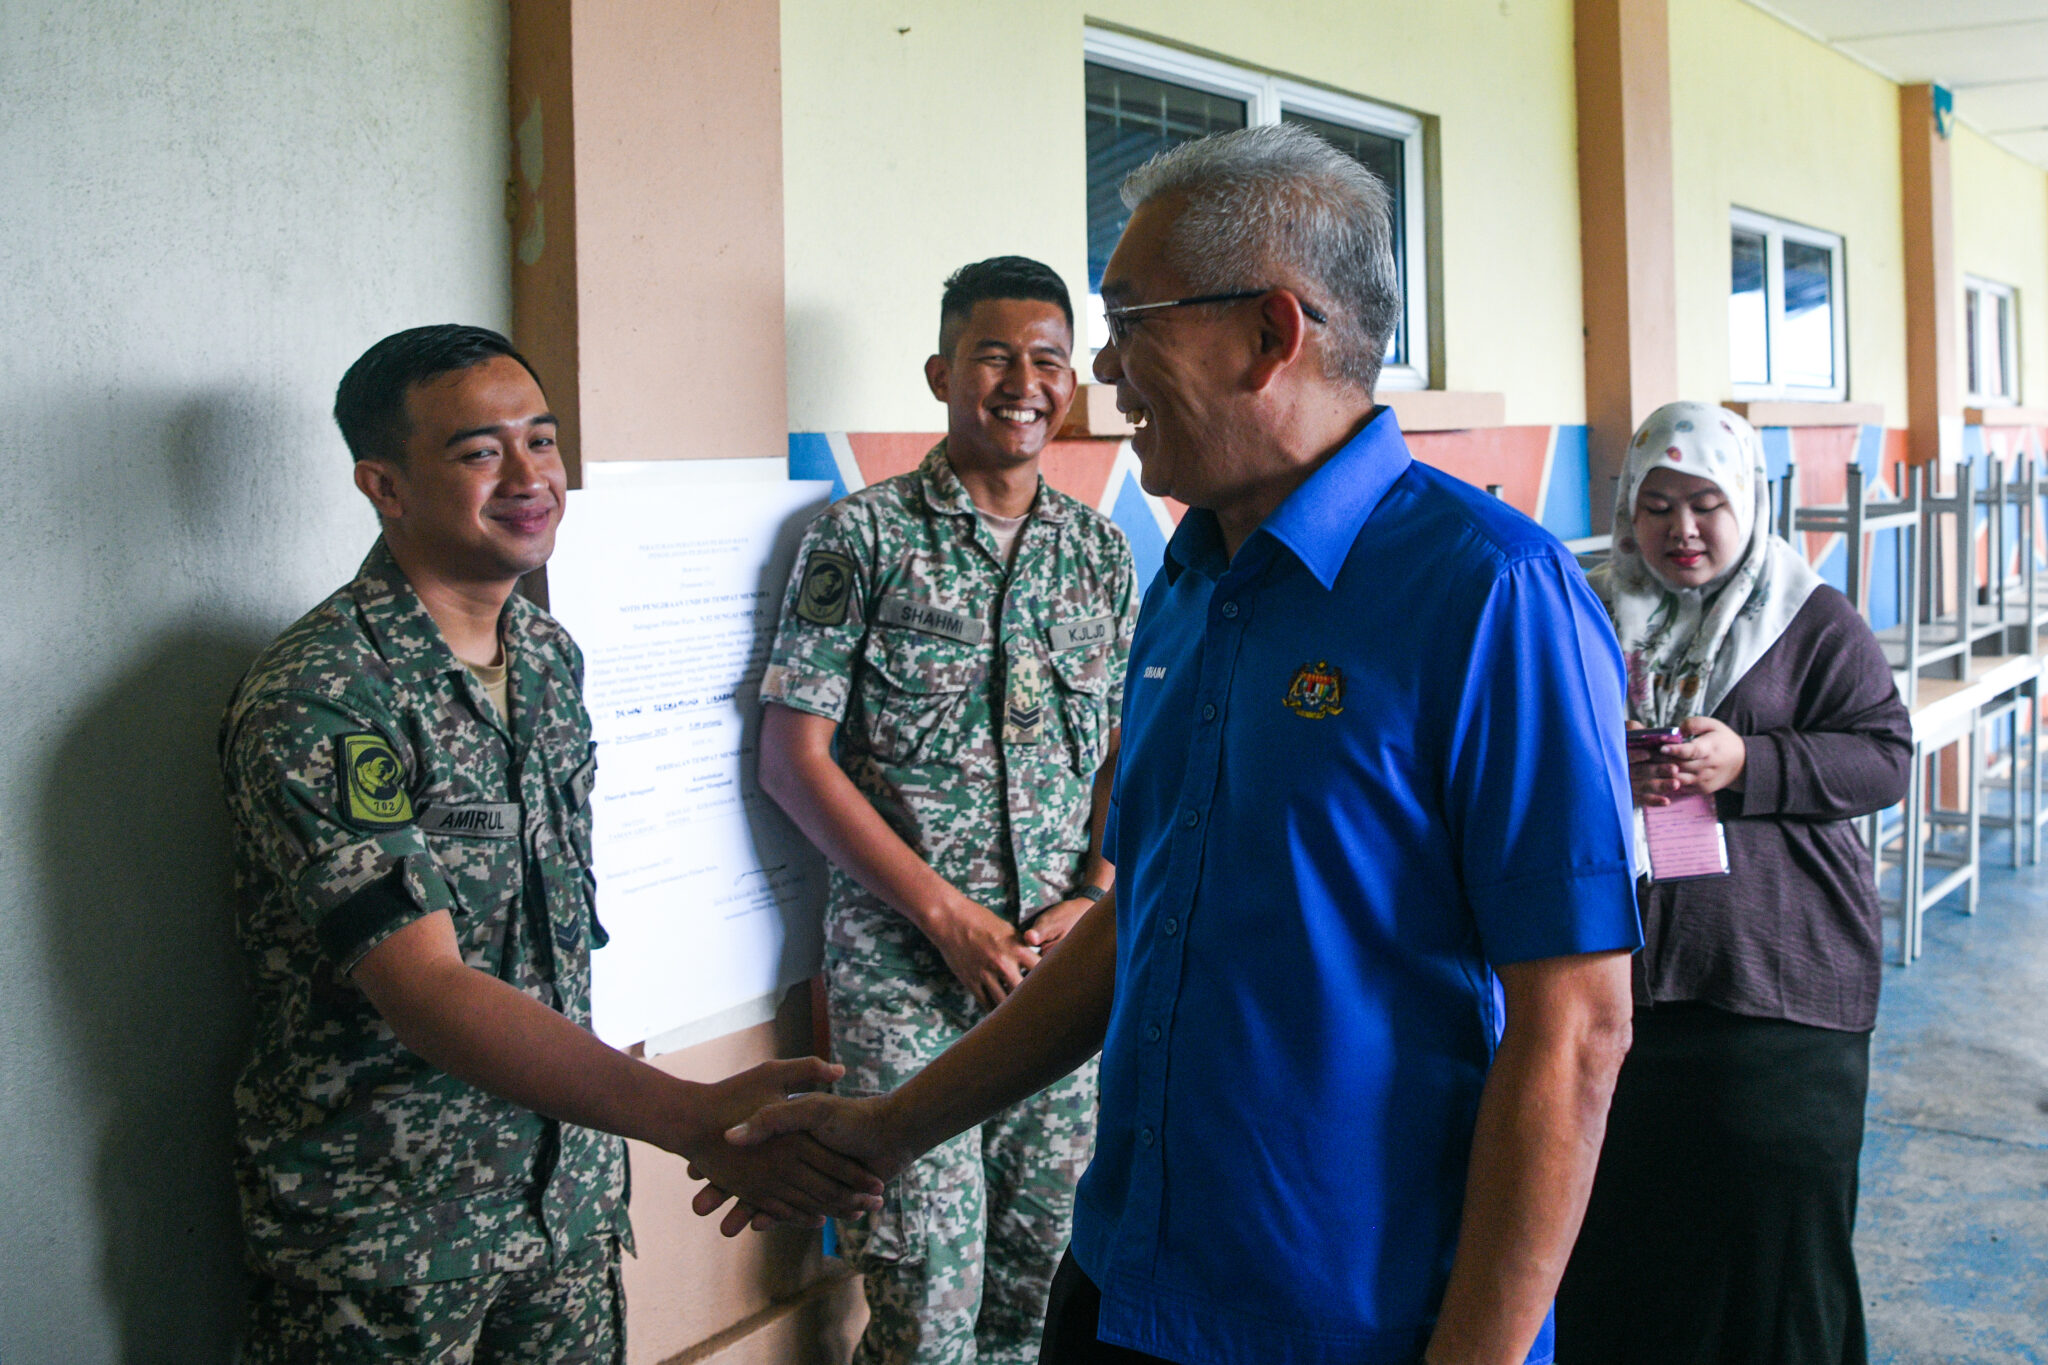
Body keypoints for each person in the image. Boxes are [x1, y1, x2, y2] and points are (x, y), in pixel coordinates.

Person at [710, 125, 1643, 1365]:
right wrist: (891, 1127)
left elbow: (1576, 1029)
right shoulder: (1192, 580)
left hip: (1342, 1319)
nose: (1098, 373)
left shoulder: (1488, 597)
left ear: (1269, 334)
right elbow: (1141, 915)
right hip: (1125, 1283)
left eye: (1125, 321)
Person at [218, 325, 880, 1363]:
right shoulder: (324, 695)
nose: (529, 477)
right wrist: (688, 1117)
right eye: (480, 451)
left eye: (542, 440)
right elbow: (423, 984)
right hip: (390, 1240)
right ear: (384, 487)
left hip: (559, 1211)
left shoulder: (542, 652)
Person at [753, 256, 1137, 1365]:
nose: (1021, 382)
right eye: (993, 358)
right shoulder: (861, 539)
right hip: (904, 984)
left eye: (1047, 362)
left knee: (1043, 1286)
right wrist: (947, 919)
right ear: (940, 373)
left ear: (1071, 385)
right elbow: (794, 760)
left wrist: (1096, 896)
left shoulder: (1100, 554)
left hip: (1055, 981)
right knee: (923, 1303)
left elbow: (1124, 751)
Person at [1557, 402, 1912, 1364]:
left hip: (1776, 999)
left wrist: (1749, 761)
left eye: (1707, 504)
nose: (1682, 530)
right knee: (1626, 1243)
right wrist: (1604, 767)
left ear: (1748, 504)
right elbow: (1530, 747)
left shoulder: (1808, 618)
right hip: (1618, 992)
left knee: (1774, 1251)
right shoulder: (1583, 613)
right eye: (1658, 505)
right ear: (1629, 507)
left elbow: (1884, 757)